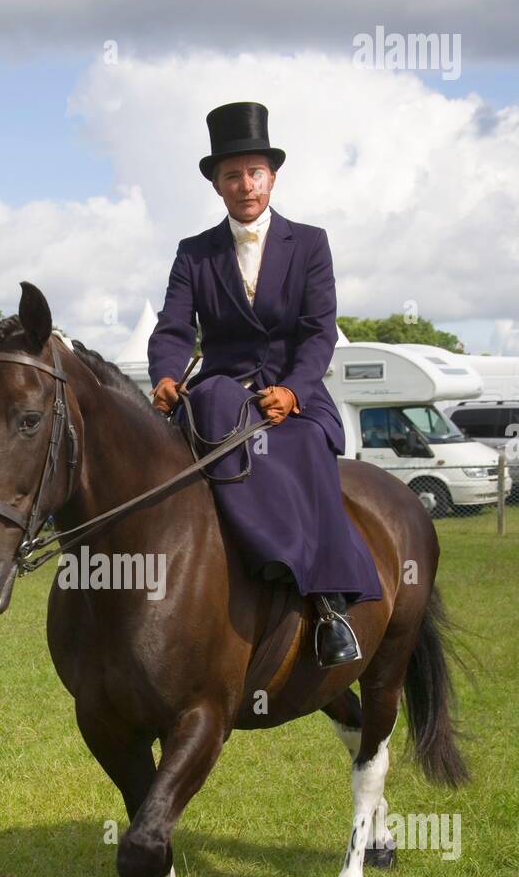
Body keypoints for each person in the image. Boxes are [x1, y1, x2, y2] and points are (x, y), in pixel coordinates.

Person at [148, 101, 382, 667]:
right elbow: (175, 327)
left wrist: (296, 390)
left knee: (303, 444)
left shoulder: (310, 244)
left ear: (271, 177)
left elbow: (318, 330)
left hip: (292, 391)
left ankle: (328, 605)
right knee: (205, 420)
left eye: (254, 172)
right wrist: (165, 374)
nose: (245, 184)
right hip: (221, 391)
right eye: (232, 175)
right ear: (217, 185)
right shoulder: (194, 252)